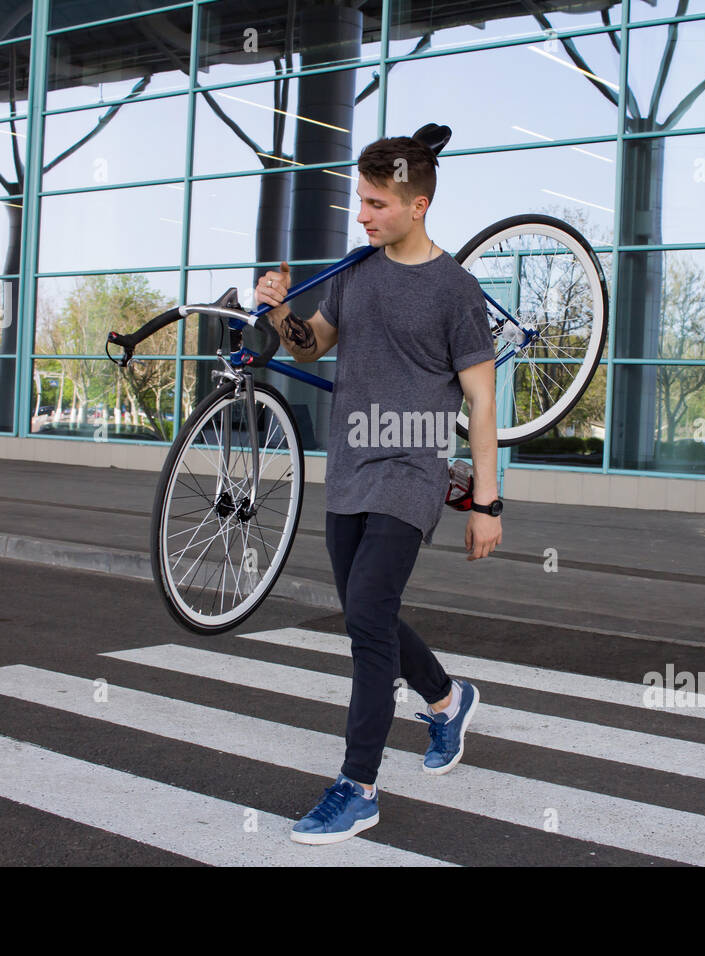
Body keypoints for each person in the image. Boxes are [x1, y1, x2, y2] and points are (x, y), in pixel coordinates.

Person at [254, 134, 503, 845]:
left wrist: (486, 503)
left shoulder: (455, 289)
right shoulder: (356, 272)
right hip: (351, 471)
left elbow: (481, 402)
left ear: (417, 205)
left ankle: (357, 787)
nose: (361, 214)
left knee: (366, 612)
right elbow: (310, 344)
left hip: (413, 470)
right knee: (371, 612)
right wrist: (277, 311)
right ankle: (448, 700)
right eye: (359, 200)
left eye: (375, 203)